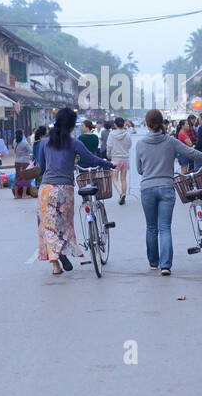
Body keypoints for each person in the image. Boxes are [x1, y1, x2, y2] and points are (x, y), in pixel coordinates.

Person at [136, 108, 202, 276]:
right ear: (161, 123)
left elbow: (139, 169)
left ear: (146, 123)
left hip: (147, 189)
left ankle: (153, 263)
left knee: (151, 227)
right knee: (165, 228)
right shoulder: (170, 141)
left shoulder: (140, 143)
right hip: (167, 187)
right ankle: (165, 266)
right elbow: (192, 153)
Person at [36, 109, 113, 275]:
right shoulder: (74, 142)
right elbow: (91, 159)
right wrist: (107, 163)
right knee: (64, 226)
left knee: (48, 227)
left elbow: (41, 168)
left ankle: (55, 264)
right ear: (71, 126)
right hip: (65, 189)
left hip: (46, 189)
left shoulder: (44, 143)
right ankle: (62, 250)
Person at [106, 117, 133, 205]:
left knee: (114, 179)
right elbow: (129, 145)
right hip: (125, 158)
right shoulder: (127, 134)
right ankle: (123, 196)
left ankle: (121, 194)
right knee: (123, 179)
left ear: (115, 124)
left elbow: (109, 146)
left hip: (115, 159)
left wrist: (108, 155)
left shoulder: (111, 134)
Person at [11, 129, 32, 200]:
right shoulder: (25, 143)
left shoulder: (14, 141)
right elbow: (31, 151)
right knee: (25, 177)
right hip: (25, 162)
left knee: (18, 177)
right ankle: (24, 194)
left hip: (17, 161)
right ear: (22, 134)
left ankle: (16, 195)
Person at [29, 126, 48, 198]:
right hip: (43, 166)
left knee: (39, 186)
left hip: (37, 167)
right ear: (43, 134)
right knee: (44, 185)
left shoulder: (35, 143)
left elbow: (33, 157)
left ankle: (41, 200)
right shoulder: (43, 143)